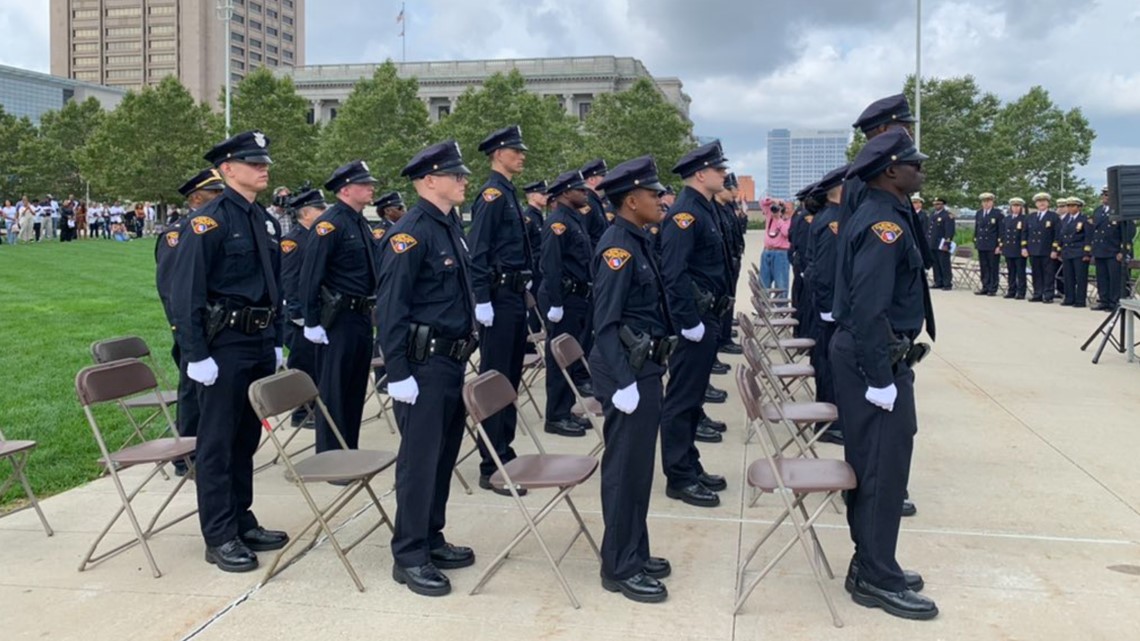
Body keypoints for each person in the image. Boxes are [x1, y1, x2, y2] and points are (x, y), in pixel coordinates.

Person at [168, 129, 289, 573]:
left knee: (246, 437)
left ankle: (241, 518)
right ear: (227, 169)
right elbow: (187, 294)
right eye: (253, 162)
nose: (263, 168)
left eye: (264, 162)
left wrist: (276, 341)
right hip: (222, 346)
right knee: (217, 443)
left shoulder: (263, 219)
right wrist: (195, 353)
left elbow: (274, 289)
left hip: (256, 342)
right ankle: (219, 535)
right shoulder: (209, 221)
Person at [831, 129, 937, 621]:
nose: (921, 169)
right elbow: (869, 307)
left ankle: (869, 561)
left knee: (882, 463)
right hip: (874, 358)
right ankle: (876, 575)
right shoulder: (881, 225)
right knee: (880, 467)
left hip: (878, 356)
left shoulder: (886, 215)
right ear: (890, 172)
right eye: (913, 164)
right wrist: (880, 377)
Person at [376, 140, 478, 597]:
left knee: (441, 457)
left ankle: (431, 536)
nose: (464, 181)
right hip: (422, 365)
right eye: (455, 175)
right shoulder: (411, 231)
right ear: (429, 180)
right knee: (419, 463)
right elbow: (391, 308)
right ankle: (410, 554)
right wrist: (397, 372)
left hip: (451, 362)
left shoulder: (448, 225)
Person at [590, 155, 675, 604]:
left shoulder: (639, 239)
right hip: (628, 374)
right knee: (625, 471)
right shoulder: (617, 248)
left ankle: (634, 550)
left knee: (640, 469)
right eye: (653, 193)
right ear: (629, 200)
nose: (661, 199)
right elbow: (604, 323)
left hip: (644, 369)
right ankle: (619, 565)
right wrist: (622, 382)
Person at [658, 141, 733, 508]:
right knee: (682, 399)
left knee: (693, 398)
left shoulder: (704, 209)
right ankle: (679, 475)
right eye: (718, 169)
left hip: (708, 316)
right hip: (695, 321)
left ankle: (690, 463)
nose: (724, 174)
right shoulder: (685, 213)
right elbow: (673, 273)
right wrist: (687, 321)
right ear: (701, 174)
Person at [464, 125, 534, 494]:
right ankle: (491, 462)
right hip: (498, 299)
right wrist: (483, 300)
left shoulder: (508, 193)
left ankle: (503, 451)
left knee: (510, 380)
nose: (521, 155)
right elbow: (478, 253)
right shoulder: (491, 195)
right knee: (495, 382)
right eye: (515, 150)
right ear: (497, 154)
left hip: (513, 297)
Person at [299, 160, 380, 454]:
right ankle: (332, 455)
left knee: (355, 387)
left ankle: (349, 449)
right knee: (335, 389)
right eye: (364, 183)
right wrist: (311, 321)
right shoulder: (329, 224)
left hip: (360, 316)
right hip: (337, 318)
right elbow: (310, 275)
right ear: (346, 189)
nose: (371, 187)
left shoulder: (359, 222)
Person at [156, 168, 226, 475]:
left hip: (221, 325)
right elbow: (173, 290)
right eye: (216, 194)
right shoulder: (177, 233)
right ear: (196, 198)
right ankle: (187, 456)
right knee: (192, 392)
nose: (223, 200)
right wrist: (185, 331)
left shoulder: (217, 226)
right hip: (196, 326)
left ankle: (212, 450)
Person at [538, 171, 595, 438]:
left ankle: (565, 408)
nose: (585, 194)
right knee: (558, 358)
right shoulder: (558, 223)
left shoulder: (575, 219)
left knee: (570, 357)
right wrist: (556, 303)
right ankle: (556, 416)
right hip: (564, 298)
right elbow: (551, 265)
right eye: (580, 190)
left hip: (578, 297)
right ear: (564, 194)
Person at [803, 164, 850, 445]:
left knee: (828, 362)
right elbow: (826, 270)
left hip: (827, 304)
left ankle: (828, 417)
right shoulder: (833, 222)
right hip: (830, 305)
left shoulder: (829, 217)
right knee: (830, 365)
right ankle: (830, 422)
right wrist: (827, 307)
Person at [281, 187, 327, 427]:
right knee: (303, 364)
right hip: (299, 316)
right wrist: (297, 312)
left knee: (317, 364)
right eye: (320, 208)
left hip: (317, 311)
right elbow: (289, 279)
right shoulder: (293, 241)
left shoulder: (317, 236)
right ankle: (301, 412)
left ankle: (317, 408)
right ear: (306, 213)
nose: (324, 211)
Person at [1090, 187, 1130, 311]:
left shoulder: (1120, 211)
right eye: (1104, 195)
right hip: (1100, 249)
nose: (1105, 197)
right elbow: (1094, 231)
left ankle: (1114, 302)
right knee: (1102, 277)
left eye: (1108, 195)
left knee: (1114, 278)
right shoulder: (1098, 211)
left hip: (1113, 250)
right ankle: (1104, 300)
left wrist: (1123, 251)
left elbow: (1128, 232)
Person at [1026, 192, 1060, 303]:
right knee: (1036, 273)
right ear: (1036, 204)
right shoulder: (1031, 217)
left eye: (1044, 201)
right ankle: (1037, 293)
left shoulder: (1053, 217)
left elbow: (1057, 235)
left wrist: (1055, 250)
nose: (1041, 203)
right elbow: (1025, 233)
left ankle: (1048, 295)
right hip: (1033, 249)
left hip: (1047, 250)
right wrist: (1025, 248)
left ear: (1048, 203)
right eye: (1039, 201)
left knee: (1048, 273)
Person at [1058, 197, 1092, 308]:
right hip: (1067, 251)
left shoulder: (1084, 219)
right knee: (1068, 276)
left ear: (1079, 207)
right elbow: (1061, 236)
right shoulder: (1065, 219)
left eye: (1073, 206)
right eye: (1068, 206)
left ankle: (1080, 300)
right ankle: (1069, 298)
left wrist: (1087, 253)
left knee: (1080, 277)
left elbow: (1088, 237)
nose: (1070, 208)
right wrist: (1059, 250)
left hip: (1079, 251)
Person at [759, 197, 792, 294]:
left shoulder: (789, 220)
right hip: (766, 251)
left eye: (787, 207)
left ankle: (780, 308)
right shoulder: (770, 215)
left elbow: (786, 233)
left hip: (781, 254)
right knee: (763, 285)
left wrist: (779, 219)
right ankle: (763, 308)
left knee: (781, 285)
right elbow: (762, 202)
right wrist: (774, 200)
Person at [973, 193, 1003, 295]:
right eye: (984, 201)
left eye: (988, 201)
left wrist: (999, 245)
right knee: (984, 266)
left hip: (992, 245)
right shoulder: (979, 213)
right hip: (982, 243)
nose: (986, 203)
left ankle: (992, 288)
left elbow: (1000, 230)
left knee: (993, 267)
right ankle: (985, 286)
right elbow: (977, 229)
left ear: (992, 202)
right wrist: (976, 241)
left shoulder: (997, 214)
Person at [999, 197, 1029, 299]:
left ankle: (1021, 292)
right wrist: (1001, 245)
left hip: (1018, 248)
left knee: (1020, 272)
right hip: (1008, 248)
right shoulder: (1007, 219)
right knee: (1011, 271)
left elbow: (1024, 234)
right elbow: (1003, 233)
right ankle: (1011, 290)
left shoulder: (1024, 219)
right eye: (1014, 206)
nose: (1015, 208)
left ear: (1021, 207)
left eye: (1018, 206)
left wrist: (1024, 247)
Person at [580, 158, 611, 246]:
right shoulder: (587, 203)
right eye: (603, 176)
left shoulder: (595, 200)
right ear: (591, 180)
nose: (606, 179)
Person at [926, 198, 954, 290]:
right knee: (935, 264)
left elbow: (949, 231)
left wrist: (947, 243)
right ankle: (938, 281)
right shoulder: (932, 214)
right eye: (935, 204)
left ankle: (947, 283)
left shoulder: (947, 215)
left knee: (944, 264)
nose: (936, 206)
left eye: (938, 204)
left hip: (942, 243)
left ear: (943, 205)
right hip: (932, 243)